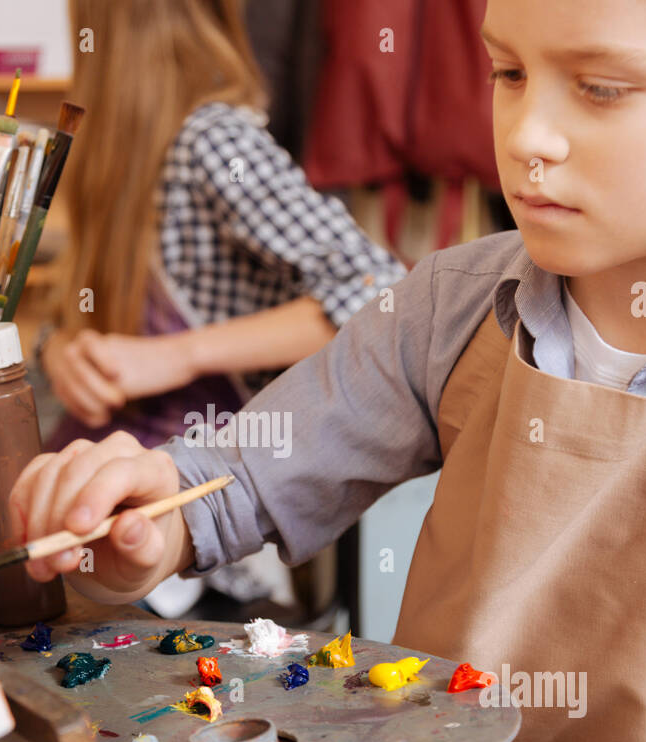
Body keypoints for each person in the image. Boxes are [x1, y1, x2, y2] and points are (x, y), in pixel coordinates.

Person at [10, 0, 646, 742]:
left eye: (602, 87)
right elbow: (236, 482)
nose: (526, 135)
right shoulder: (448, 304)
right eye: (508, 71)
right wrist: (150, 522)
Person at [39, 0, 404, 452]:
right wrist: (60, 355)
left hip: (212, 474)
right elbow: (66, 309)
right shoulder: (104, 157)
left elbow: (382, 291)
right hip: (116, 447)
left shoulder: (213, 141)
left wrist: (180, 355)